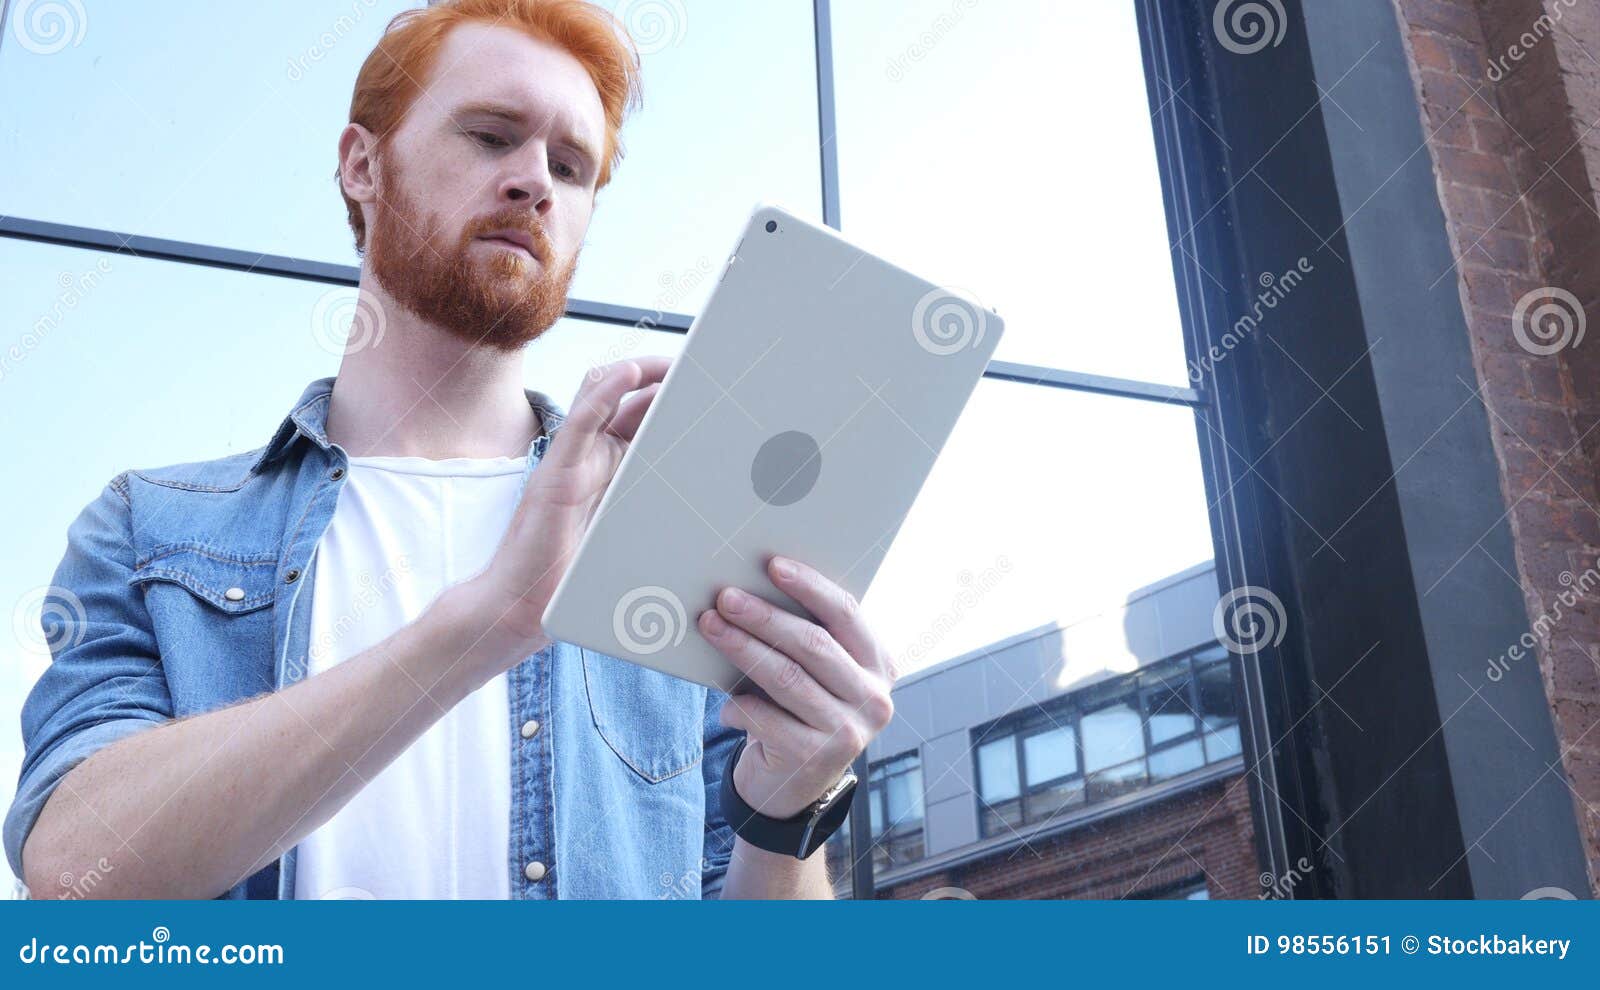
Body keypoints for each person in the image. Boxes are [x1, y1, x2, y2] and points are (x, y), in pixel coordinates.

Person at [4, 0, 894, 900]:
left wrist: (786, 810)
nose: (535, 181)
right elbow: (75, 871)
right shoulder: (152, 526)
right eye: (490, 136)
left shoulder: (672, 553)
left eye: (570, 167)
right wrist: (488, 623)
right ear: (362, 165)